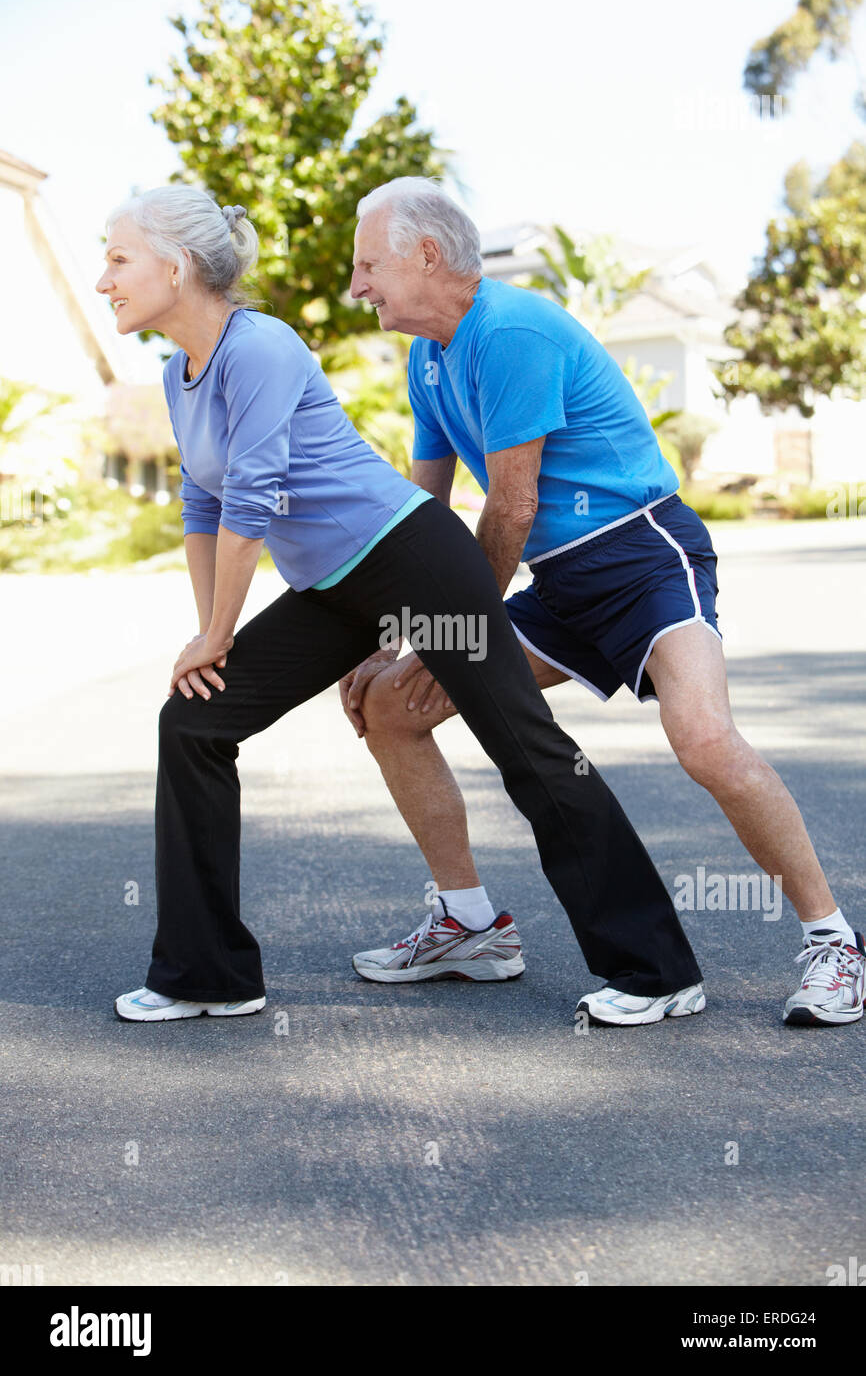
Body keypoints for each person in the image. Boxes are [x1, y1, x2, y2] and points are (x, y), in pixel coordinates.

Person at [95, 183, 704, 1023]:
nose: (106, 280)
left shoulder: (262, 348)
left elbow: (251, 506)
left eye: (118, 258)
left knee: (526, 748)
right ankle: (208, 975)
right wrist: (212, 637)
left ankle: (657, 970)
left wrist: (217, 633)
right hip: (337, 588)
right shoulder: (179, 376)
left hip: (416, 564)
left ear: (176, 265)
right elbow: (205, 508)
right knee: (196, 722)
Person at [341, 176, 865, 1029]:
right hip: (560, 584)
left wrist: (454, 636)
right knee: (389, 704)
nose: (357, 288)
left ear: (426, 256)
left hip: (643, 555)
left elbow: (508, 508)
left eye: (368, 267)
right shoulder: (426, 359)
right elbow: (426, 519)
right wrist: (394, 636)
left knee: (704, 740)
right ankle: (469, 925)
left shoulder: (506, 332)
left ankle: (834, 942)